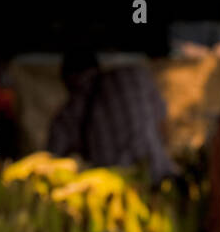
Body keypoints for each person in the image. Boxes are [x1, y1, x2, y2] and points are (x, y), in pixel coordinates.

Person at [47, 47, 178, 184]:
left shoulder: (70, 111)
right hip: (160, 172)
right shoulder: (134, 77)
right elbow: (163, 122)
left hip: (118, 186)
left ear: (67, 78)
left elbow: (50, 160)